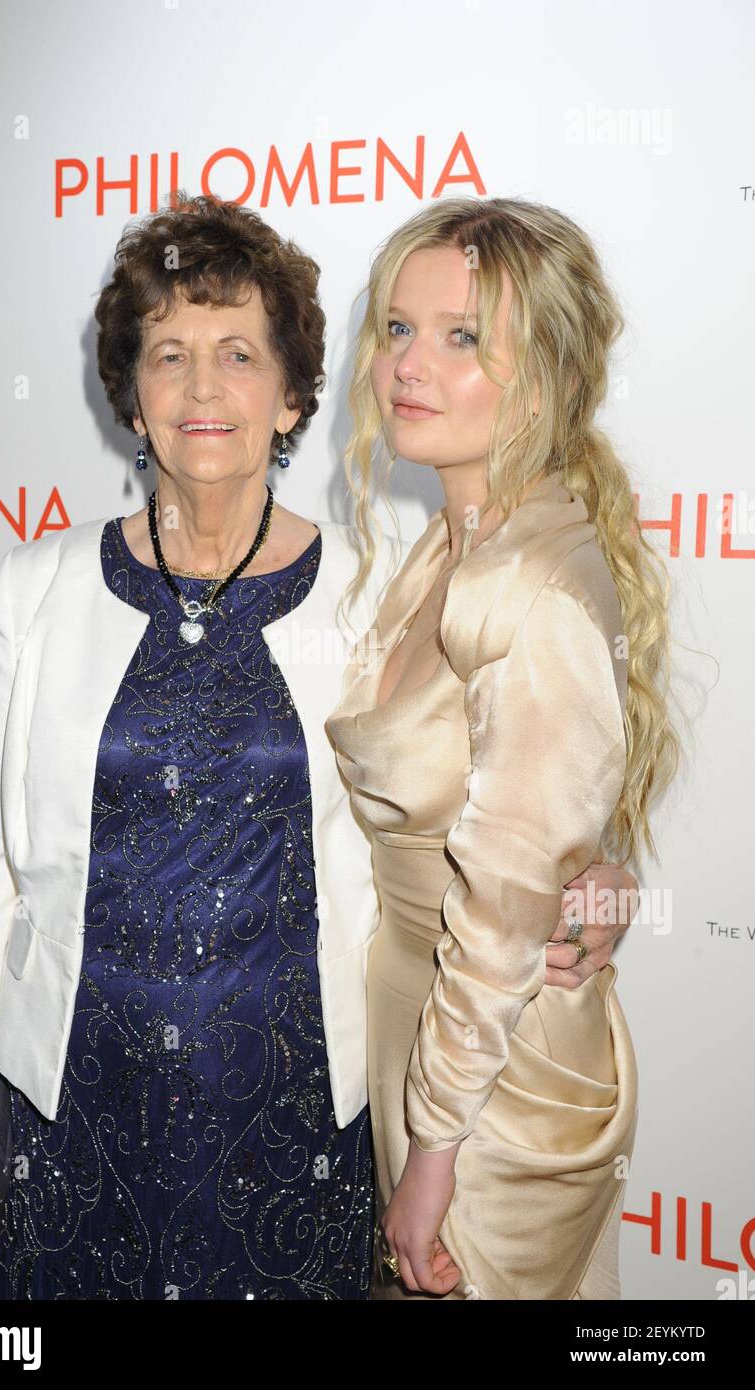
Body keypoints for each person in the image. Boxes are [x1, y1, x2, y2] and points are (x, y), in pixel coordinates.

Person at [0, 193, 638, 1301]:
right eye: (169, 354)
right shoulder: (37, 589)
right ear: (131, 391)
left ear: (294, 390)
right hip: (74, 1099)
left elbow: (485, 790)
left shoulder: (371, 590)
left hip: (296, 1118)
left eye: (239, 354)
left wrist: (590, 881)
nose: (202, 389)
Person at [325, 196, 678, 1300]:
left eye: (462, 335)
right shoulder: (457, 540)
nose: (408, 365)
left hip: (491, 1081)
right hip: (425, 1032)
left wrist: (435, 1151)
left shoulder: (529, 582)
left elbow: (503, 900)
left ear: (548, 370)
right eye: (396, 328)